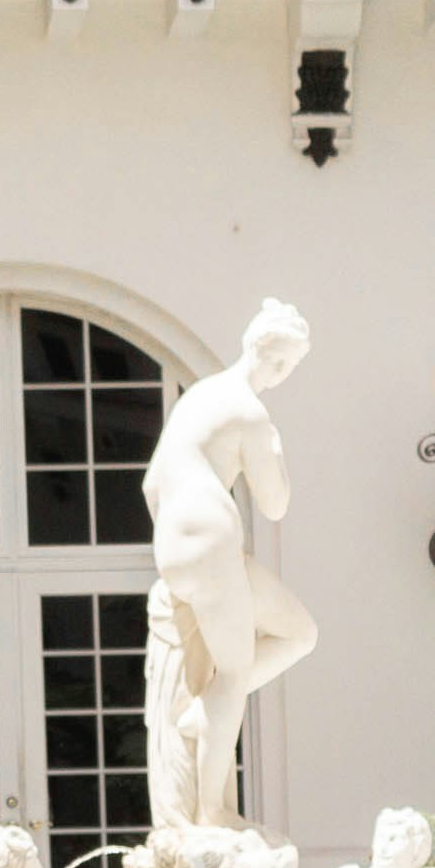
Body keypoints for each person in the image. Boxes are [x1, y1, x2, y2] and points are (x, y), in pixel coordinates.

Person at [141, 299, 317, 830]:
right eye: (288, 365)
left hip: (180, 547)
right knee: (237, 672)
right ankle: (213, 814)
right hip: (214, 541)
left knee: (300, 633)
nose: (286, 375)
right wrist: (276, 451)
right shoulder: (250, 412)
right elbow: (276, 503)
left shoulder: (198, 396)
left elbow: (151, 483)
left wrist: (182, 545)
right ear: (274, 359)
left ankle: (205, 711)